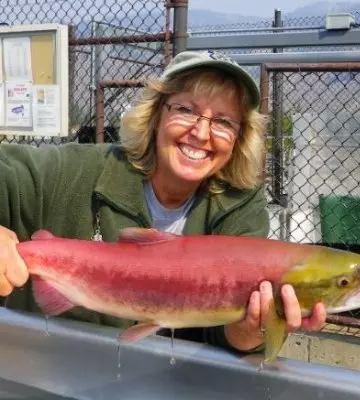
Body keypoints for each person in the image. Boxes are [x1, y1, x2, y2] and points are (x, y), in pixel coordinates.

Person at [0, 50, 326, 354]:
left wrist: (250, 332)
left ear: (240, 138)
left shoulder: (240, 208)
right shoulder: (70, 172)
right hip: (39, 364)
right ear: (155, 114)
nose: (201, 133)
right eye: (185, 110)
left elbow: (220, 338)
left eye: (223, 122)